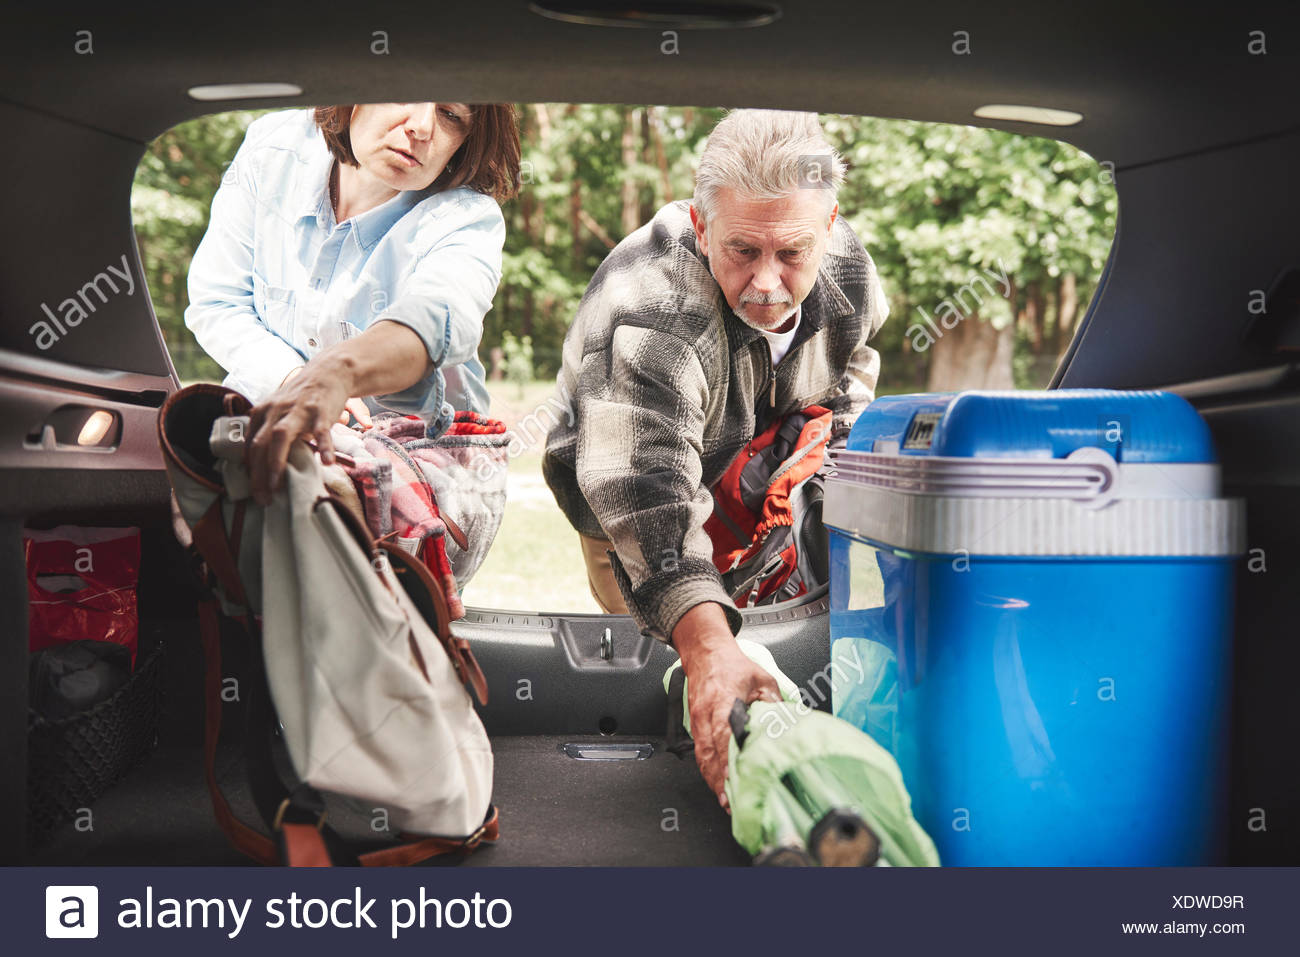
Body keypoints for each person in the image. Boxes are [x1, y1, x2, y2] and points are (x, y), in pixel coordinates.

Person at [542, 109, 889, 807]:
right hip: (621, 482)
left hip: (759, 434)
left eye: (791, 253)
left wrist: (828, 480)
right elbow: (642, 487)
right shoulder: (654, 307)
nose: (766, 282)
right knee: (664, 635)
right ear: (702, 229)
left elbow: (852, 370)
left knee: (779, 620)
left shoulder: (849, 271)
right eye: (742, 252)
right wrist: (702, 646)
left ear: (829, 227)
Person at [184, 102, 521, 505]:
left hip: (413, 482)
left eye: (451, 115)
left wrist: (338, 373)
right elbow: (218, 301)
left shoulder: (467, 219)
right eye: (407, 92)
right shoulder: (272, 148)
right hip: (263, 455)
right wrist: (294, 379)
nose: (422, 126)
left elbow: (437, 317)